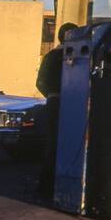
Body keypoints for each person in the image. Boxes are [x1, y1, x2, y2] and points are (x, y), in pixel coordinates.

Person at [36, 22, 76, 200]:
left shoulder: (50, 56)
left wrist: (51, 95)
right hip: (69, 103)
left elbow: (40, 82)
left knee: (52, 145)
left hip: (53, 101)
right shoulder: (73, 56)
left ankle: (46, 186)